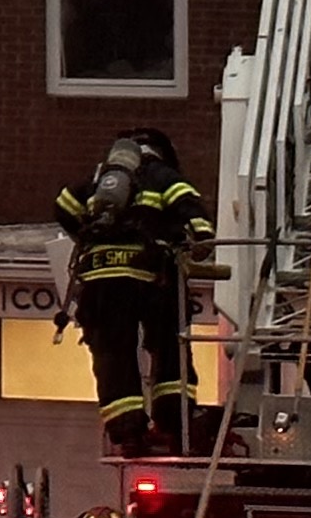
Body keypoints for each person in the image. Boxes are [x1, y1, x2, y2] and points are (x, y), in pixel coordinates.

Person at [56, 128, 211, 456]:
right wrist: (200, 241)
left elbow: (63, 207)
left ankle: (128, 434)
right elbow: (194, 213)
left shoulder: (99, 179)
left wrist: (90, 238)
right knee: (169, 345)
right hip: (150, 276)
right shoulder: (163, 176)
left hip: (99, 278)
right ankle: (173, 421)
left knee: (113, 355)